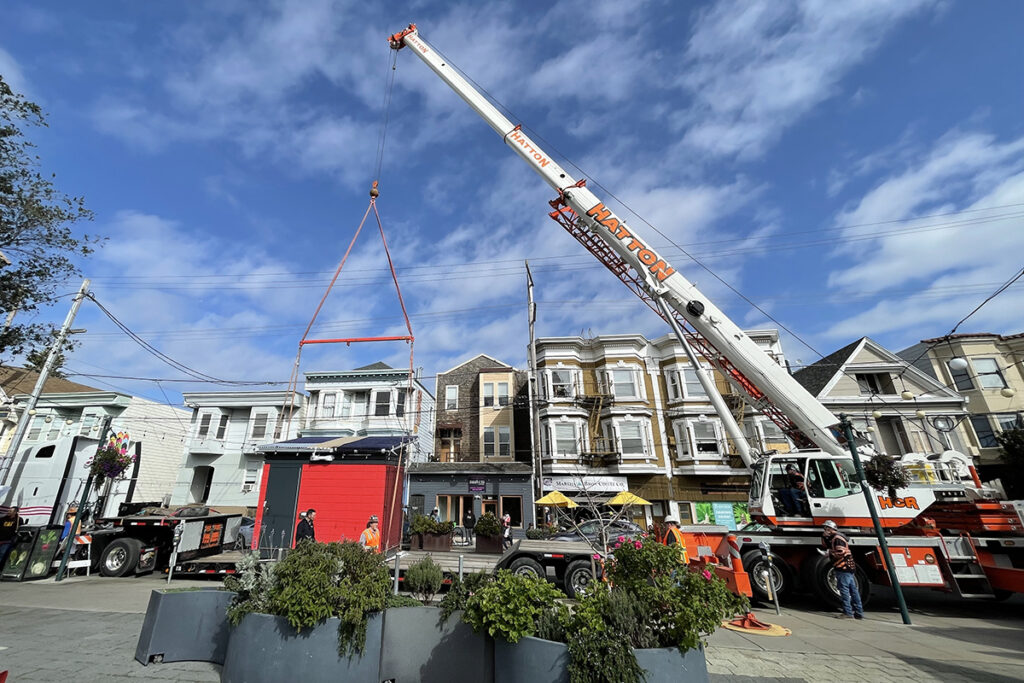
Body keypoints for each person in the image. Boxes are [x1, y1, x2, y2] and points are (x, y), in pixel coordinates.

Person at [821, 520, 863, 619]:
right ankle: (858, 612)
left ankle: (848, 612)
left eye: (827, 528)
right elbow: (826, 545)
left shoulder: (837, 538)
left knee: (844, 590)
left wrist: (830, 554)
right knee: (853, 590)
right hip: (847, 567)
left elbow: (841, 552)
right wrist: (824, 537)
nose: (825, 530)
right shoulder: (835, 538)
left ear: (831, 528)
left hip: (843, 567)